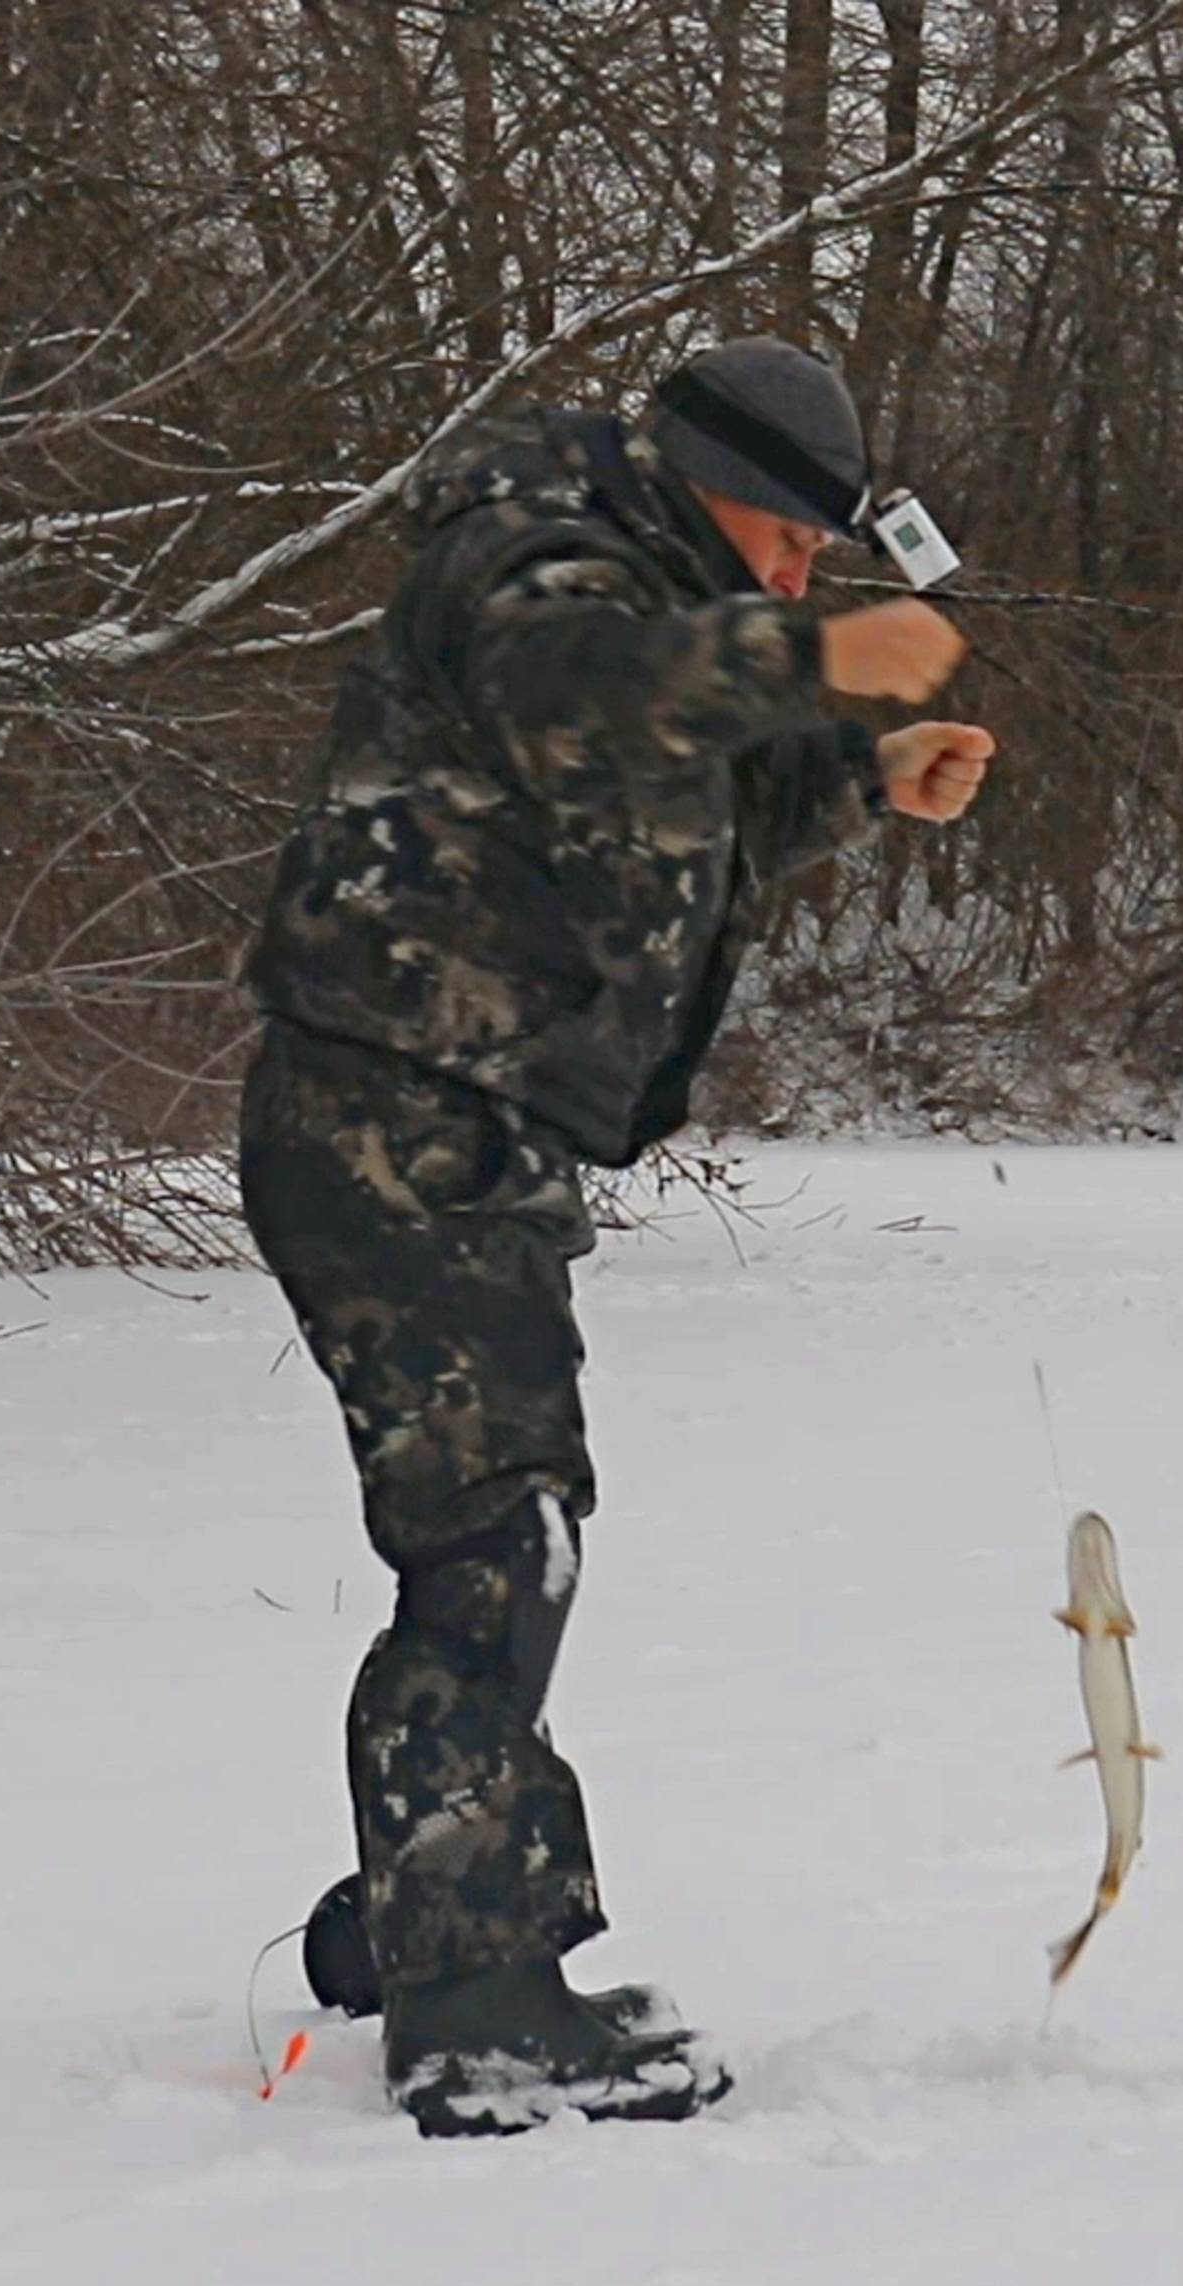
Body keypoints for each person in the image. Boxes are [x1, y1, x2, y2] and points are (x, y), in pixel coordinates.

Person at [238, 338, 996, 2136]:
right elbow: (579, 697)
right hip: (383, 1113)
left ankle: (438, 1907)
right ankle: (476, 2005)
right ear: (707, 489)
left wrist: (866, 775)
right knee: (499, 1530)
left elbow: (667, 802)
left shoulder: (659, 601)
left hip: (463, 1125)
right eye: (793, 546)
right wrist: (815, 660)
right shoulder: (539, 555)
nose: (810, 576)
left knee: (515, 1524)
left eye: (823, 563)